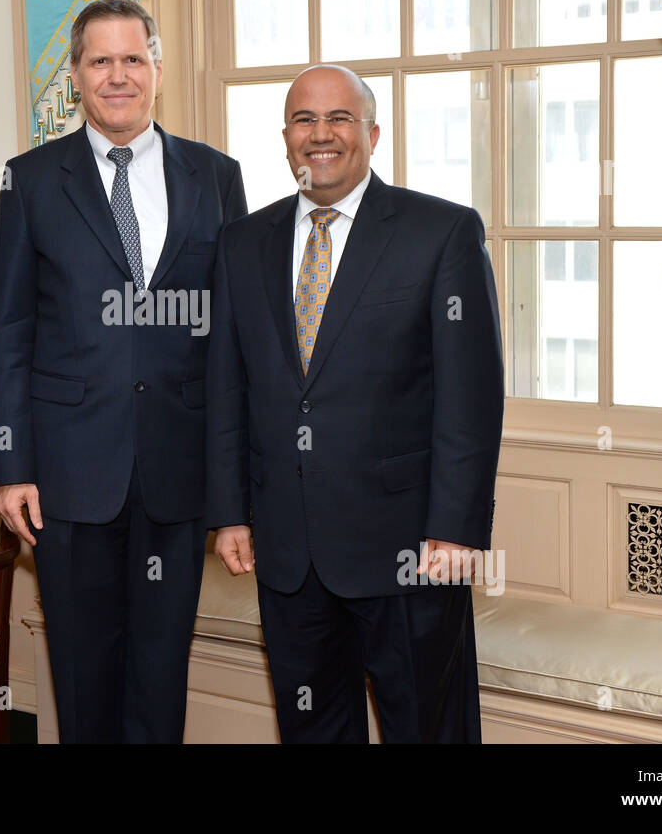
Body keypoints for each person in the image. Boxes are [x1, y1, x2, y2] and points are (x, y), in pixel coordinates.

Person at [205, 64, 503, 743]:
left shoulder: (442, 232)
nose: (321, 134)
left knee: (428, 728)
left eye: (339, 118)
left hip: (411, 551)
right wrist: (228, 513)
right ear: (286, 138)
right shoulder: (242, 243)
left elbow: (471, 398)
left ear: (370, 132)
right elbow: (228, 388)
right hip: (287, 554)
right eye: (305, 120)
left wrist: (455, 530)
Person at [0, 0, 247, 742]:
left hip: (178, 470)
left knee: (161, 672)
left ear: (157, 69)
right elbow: (9, 330)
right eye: (100, 60)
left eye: (133, 58)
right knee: (82, 671)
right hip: (67, 478)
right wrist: (9, 464)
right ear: (75, 75)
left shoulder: (215, 176)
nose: (118, 75)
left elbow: (234, 337)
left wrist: (234, 484)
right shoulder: (29, 180)